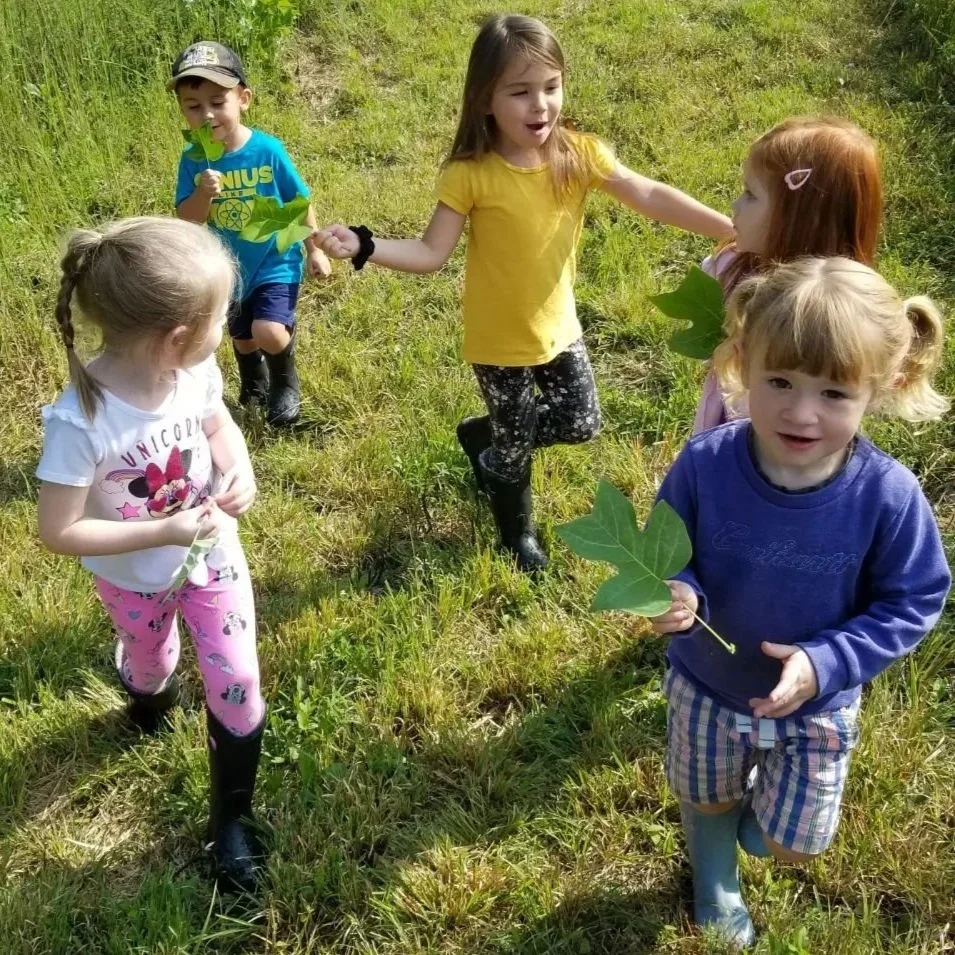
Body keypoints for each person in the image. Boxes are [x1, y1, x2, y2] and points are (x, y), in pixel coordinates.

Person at [316, 14, 732, 571]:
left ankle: (482, 435)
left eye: (551, 87)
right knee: (514, 454)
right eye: (520, 92)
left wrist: (728, 227)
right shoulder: (471, 174)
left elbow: (647, 192)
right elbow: (430, 253)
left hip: (560, 327)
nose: (540, 105)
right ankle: (517, 533)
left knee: (582, 422)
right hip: (498, 342)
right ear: (486, 100)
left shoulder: (578, 155)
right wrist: (365, 245)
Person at [652, 257, 950, 947]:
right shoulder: (705, 464)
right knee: (705, 794)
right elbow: (669, 551)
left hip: (817, 705)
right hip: (707, 682)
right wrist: (677, 590)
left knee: (794, 844)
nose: (799, 411)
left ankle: (758, 829)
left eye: (833, 393)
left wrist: (826, 661)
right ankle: (712, 876)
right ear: (742, 363)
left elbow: (912, 598)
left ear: (880, 388)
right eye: (779, 381)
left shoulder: (887, 496)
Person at [36, 217, 267, 893]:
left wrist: (237, 466)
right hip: (133, 576)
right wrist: (162, 530)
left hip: (210, 554)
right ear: (175, 335)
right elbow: (59, 530)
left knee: (237, 677)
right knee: (150, 661)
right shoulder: (81, 421)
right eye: (221, 317)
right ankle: (146, 693)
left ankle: (232, 820)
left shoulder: (191, 372)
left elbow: (218, 424)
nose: (224, 329)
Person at [171, 40, 331, 426]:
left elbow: (298, 200)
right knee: (242, 335)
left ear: (243, 98)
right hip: (227, 265)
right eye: (194, 106)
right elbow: (188, 219)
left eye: (218, 101)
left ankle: (284, 382)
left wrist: (314, 249)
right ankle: (253, 382)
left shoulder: (267, 150)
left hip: (275, 258)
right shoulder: (194, 159)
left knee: (269, 330)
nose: (207, 114)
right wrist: (202, 193)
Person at [692, 116, 883, 434]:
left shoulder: (843, 315)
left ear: (800, 217)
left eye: (751, 195)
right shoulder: (732, 266)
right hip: (721, 434)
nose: (735, 205)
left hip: (793, 448)